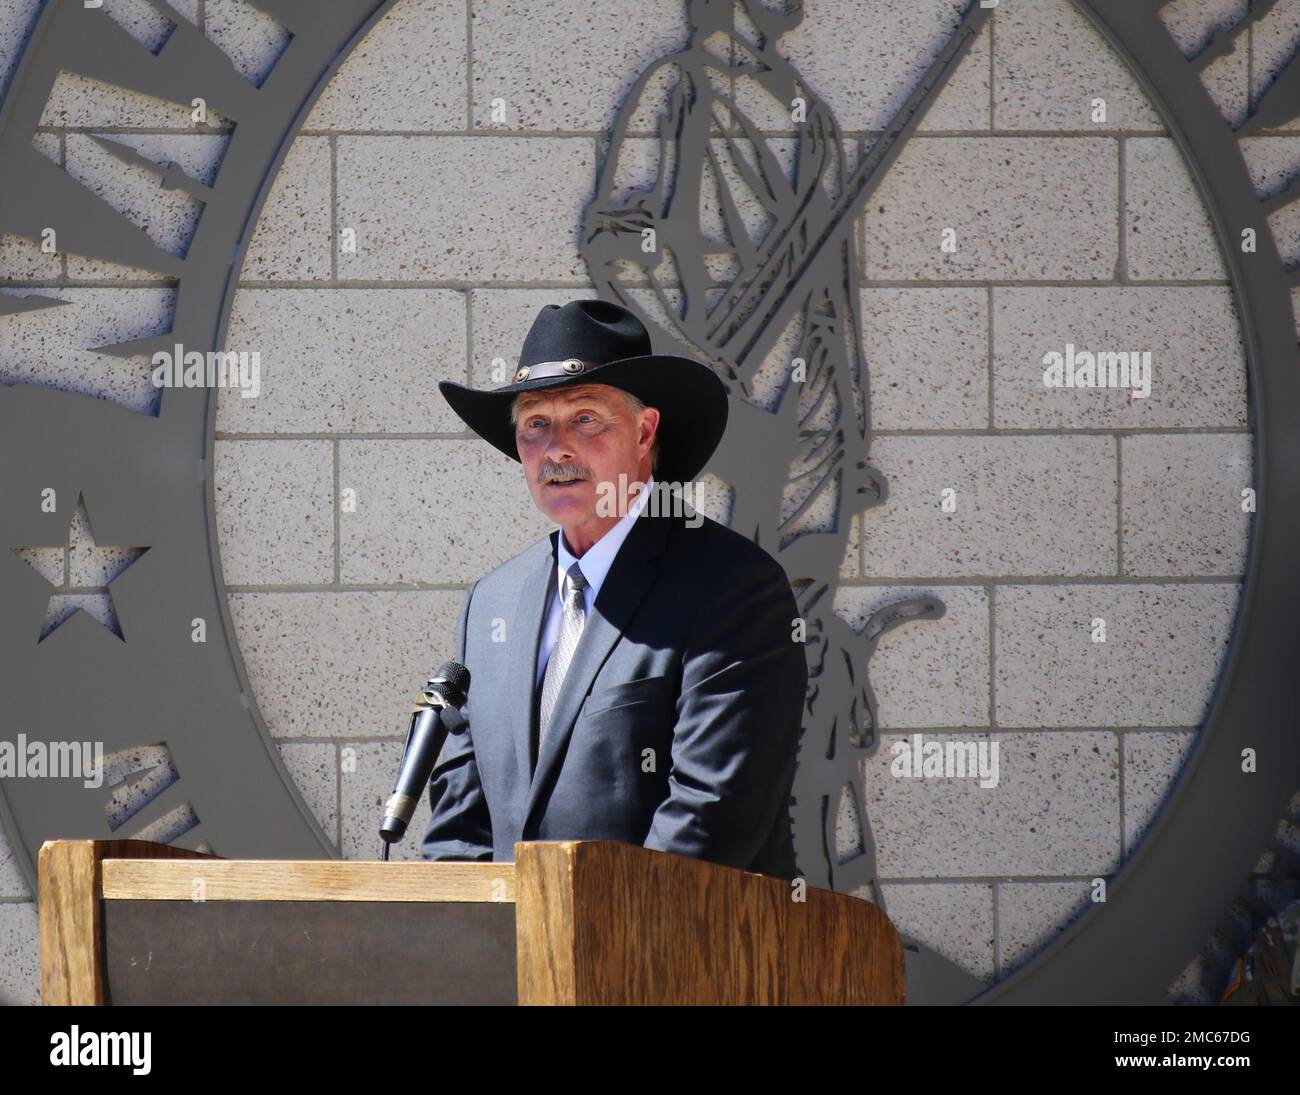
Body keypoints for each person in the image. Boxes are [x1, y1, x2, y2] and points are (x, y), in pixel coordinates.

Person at [420, 297, 807, 879]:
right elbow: (459, 825)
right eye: (535, 426)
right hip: (515, 961)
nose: (557, 450)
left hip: (670, 957)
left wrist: (597, 945)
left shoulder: (731, 587)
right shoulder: (491, 604)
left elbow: (709, 817)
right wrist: (490, 951)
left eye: (584, 419)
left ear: (645, 431)